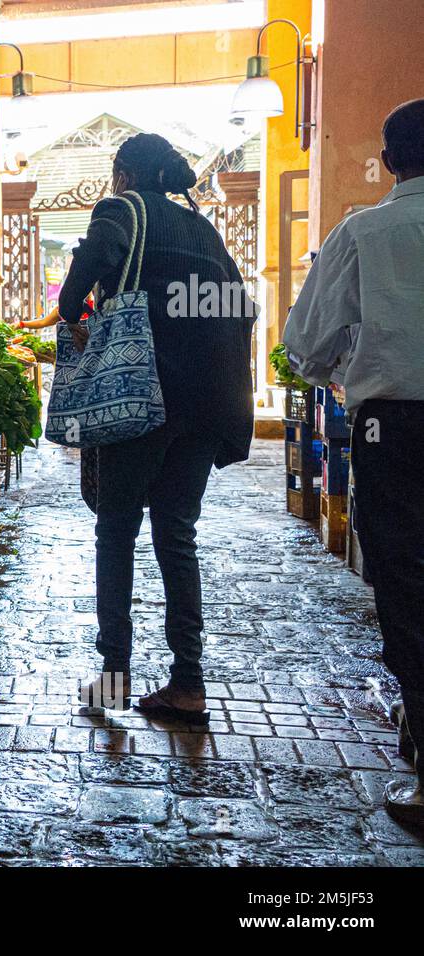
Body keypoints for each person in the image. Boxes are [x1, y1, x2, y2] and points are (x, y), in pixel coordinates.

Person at [59, 133, 255, 722]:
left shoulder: (121, 211)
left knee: (116, 530)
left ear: (123, 174)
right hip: (205, 404)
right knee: (176, 535)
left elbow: (76, 291)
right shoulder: (203, 229)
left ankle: (114, 675)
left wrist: (77, 312)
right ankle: (188, 682)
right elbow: (238, 307)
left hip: (138, 398)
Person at [283, 99, 424, 826]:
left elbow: (305, 344)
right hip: (391, 424)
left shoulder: (365, 233)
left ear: (391, 160)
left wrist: (344, 369)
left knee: (405, 582)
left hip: (393, 428)